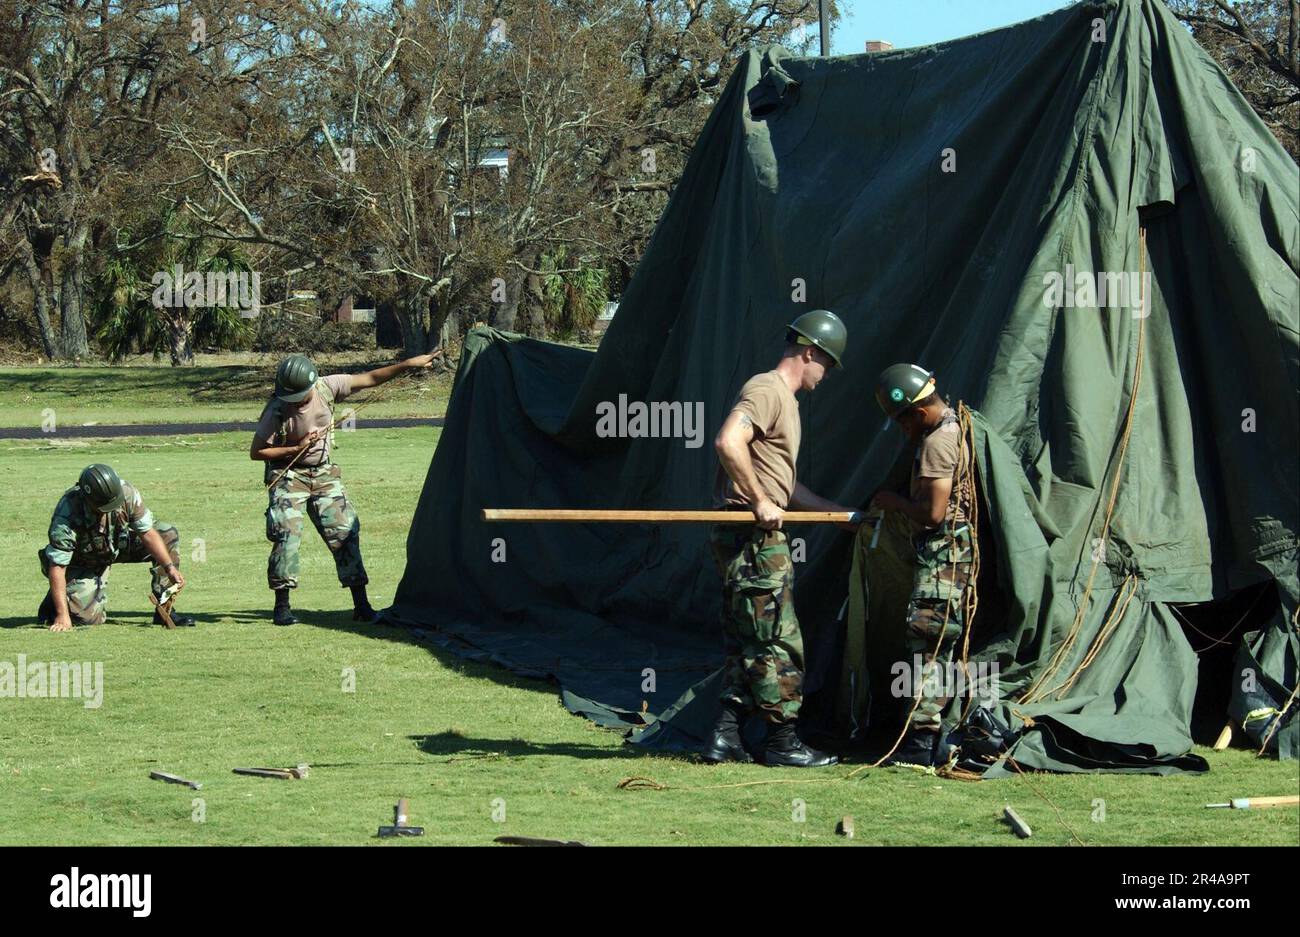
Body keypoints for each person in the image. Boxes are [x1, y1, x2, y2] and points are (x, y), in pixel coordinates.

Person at [704, 309, 858, 768]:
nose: (826, 375)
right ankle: (781, 742)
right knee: (777, 641)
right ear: (809, 352)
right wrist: (758, 501)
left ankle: (725, 737)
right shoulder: (768, 389)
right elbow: (728, 442)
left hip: (750, 534)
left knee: (748, 641)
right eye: (827, 364)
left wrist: (839, 515)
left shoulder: (785, 403)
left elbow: (786, 489)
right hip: (753, 537)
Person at [251, 351, 438, 625]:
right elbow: (257, 452)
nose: (294, 401)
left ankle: (361, 606)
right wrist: (296, 447)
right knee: (286, 535)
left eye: (299, 395)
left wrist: (408, 364)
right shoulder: (276, 408)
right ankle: (282, 607)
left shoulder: (327, 387)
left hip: (324, 473)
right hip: (289, 474)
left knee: (344, 531)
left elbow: (371, 378)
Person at [871, 363, 975, 767]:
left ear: (916, 413)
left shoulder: (936, 443)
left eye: (902, 423)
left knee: (927, 644)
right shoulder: (956, 427)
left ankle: (920, 743)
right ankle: (934, 741)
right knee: (939, 649)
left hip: (943, 560)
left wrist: (893, 501)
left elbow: (933, 513)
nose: (903, 431)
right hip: (954, 558)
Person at [38, 463, 193, 631]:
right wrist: (62, 615)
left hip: (118, 545)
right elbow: (58, 566)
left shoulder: (125, 492)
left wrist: (169, 567)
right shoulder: (67, 513)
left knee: (166, 534)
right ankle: (57, 603)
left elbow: (147, 533)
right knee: (88, 619)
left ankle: (165, 610)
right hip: (84, 560)